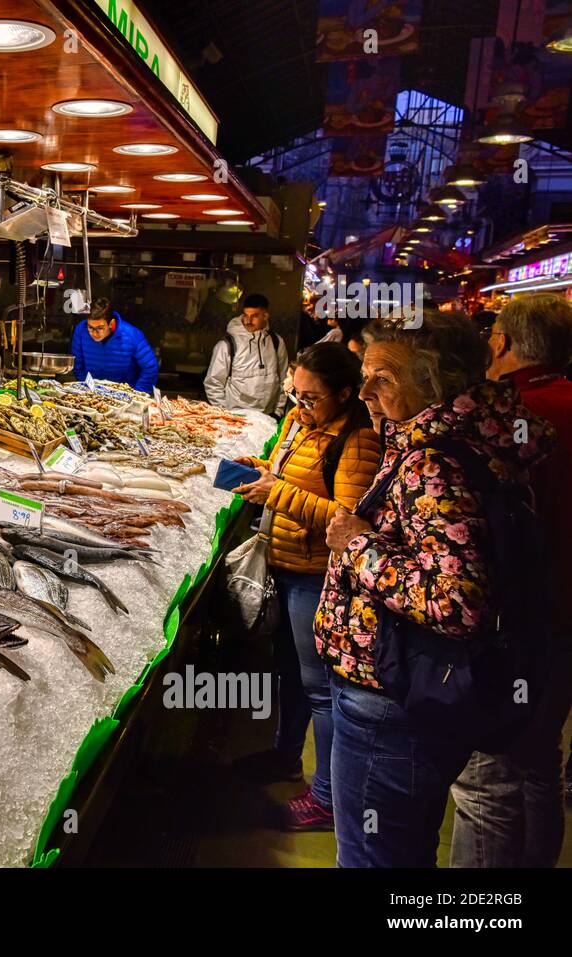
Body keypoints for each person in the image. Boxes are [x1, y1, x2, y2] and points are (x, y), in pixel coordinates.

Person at [315, 312, 554, 867]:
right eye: (366, 375)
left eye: (385, 379)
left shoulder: (433, 462)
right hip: (408, 698)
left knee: (375, 859)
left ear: (436, 384)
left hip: (390, 698)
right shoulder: (455, 439)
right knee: (403, 848)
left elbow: (457, 601)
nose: (367, 392)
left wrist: (356, 544)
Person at [229, 343, 382, 830]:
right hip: (283, 561)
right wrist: (257, 469)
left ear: (344, 394)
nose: (300, 406)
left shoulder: (358, 440)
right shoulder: (299, 423)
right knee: (289, 676)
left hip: (315, 576)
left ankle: (327, 798)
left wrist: (280, 493)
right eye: (295, 395)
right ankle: (283, 757)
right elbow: (281, 471)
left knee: (320, 688)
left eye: (311, 398)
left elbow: (347, 521)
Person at [450, 294, 572, 867]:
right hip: (562, 623)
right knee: (538, 761)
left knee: (486, 777)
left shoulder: (510, 417)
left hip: (518, 624)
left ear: (499, 343)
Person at [203, 293, 289, 416]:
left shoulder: (276, 342)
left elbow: (285, 379)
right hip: (236, 416)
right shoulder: (227, 345)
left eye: (254, 316)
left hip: (268, 416)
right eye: (246, 315)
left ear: (265, 316)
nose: (248, 321)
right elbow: (213, 383)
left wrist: (278, 411)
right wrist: (225, 415)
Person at [70, 297, 159, 393]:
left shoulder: (132, 334)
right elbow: (77, 363)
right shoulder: (80, 330)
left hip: (125, 396)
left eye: (100, 328)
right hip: (92, 393)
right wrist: (86, 389)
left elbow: (150, 367)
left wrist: (138, 395)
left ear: (111, 324)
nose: (94, 333)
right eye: (90, 328)